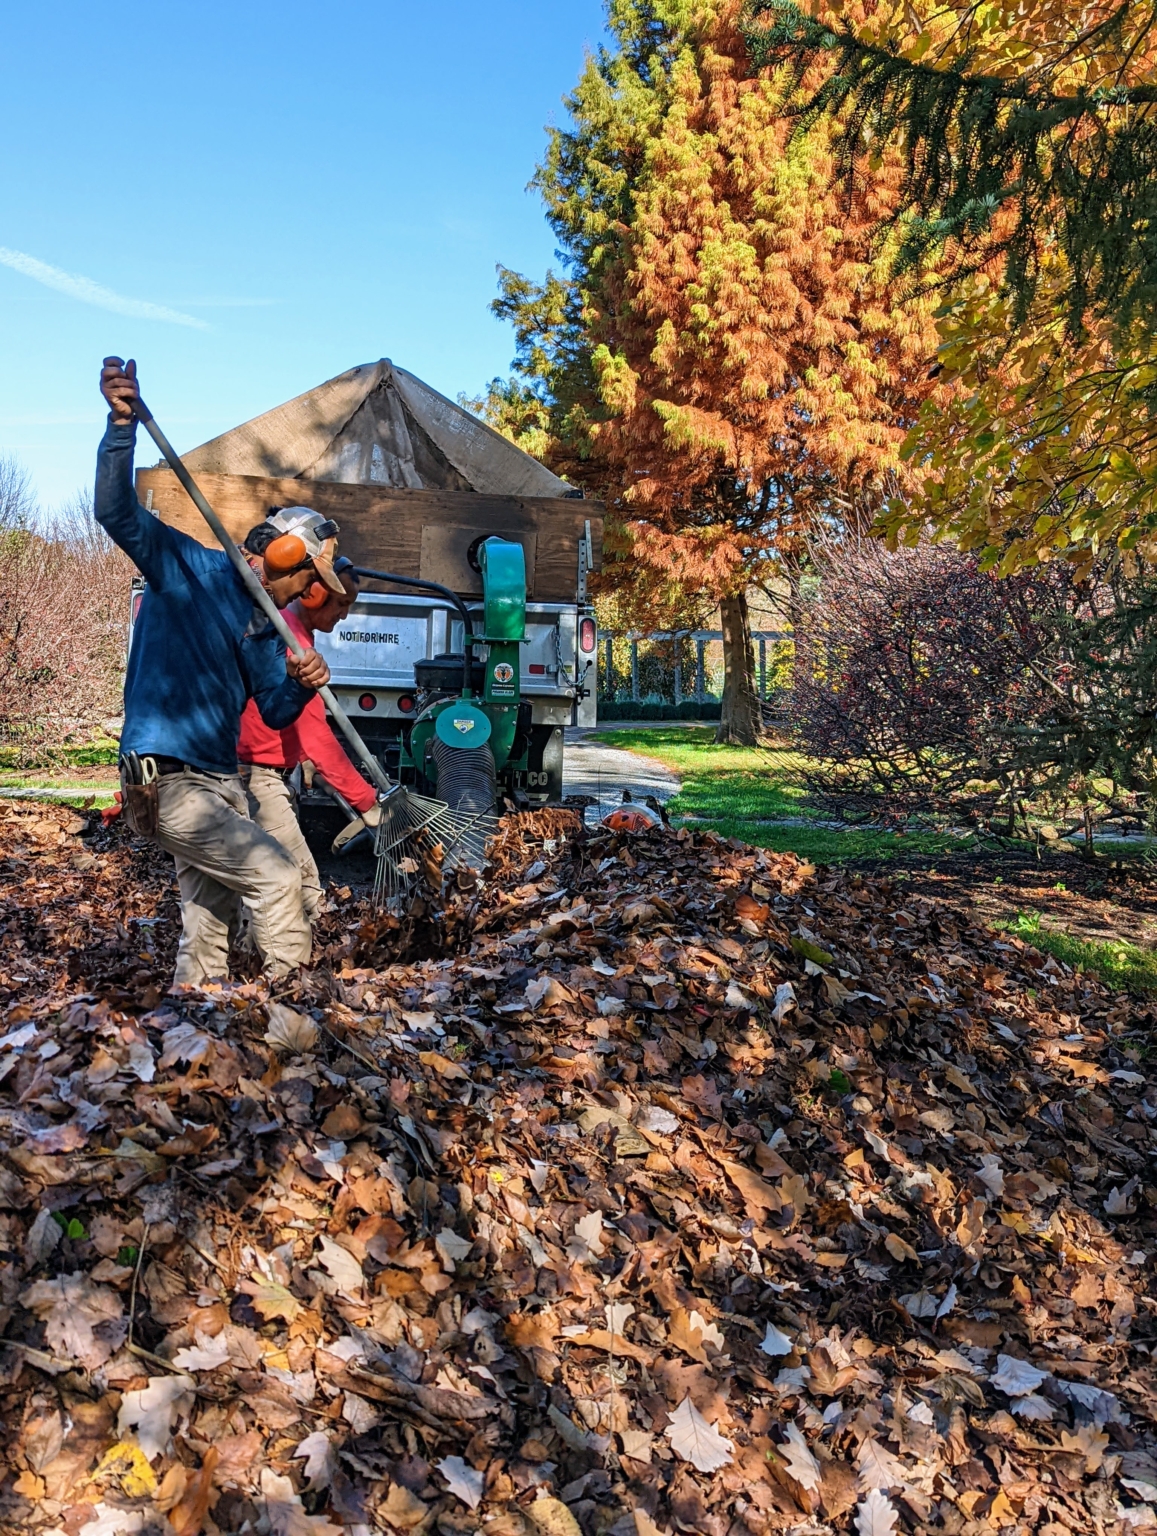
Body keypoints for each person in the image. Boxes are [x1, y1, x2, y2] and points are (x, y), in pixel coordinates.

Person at [95, 356, 344, 986]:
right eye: (309, 578)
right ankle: (295, 1012)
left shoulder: (264, 626)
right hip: (168, 779)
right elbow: (115, 513)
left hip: (220, 783)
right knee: (278, 876)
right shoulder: (186, 569)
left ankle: (193, 1021)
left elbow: (275, 710)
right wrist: (121, 429)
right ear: (284, 556)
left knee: (210, 925)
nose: (310, 593)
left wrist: (301, 685)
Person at [237, 558, 380, 918]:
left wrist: (302, 757)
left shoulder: (294, 630)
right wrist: (367, 802)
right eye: (342, 604)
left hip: (265, 773)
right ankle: (302, 952)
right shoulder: (291, 639)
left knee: (255, 896)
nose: (345, 615)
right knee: (302, 892)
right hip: (257, 780)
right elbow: (315, 733)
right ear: (314, 594)